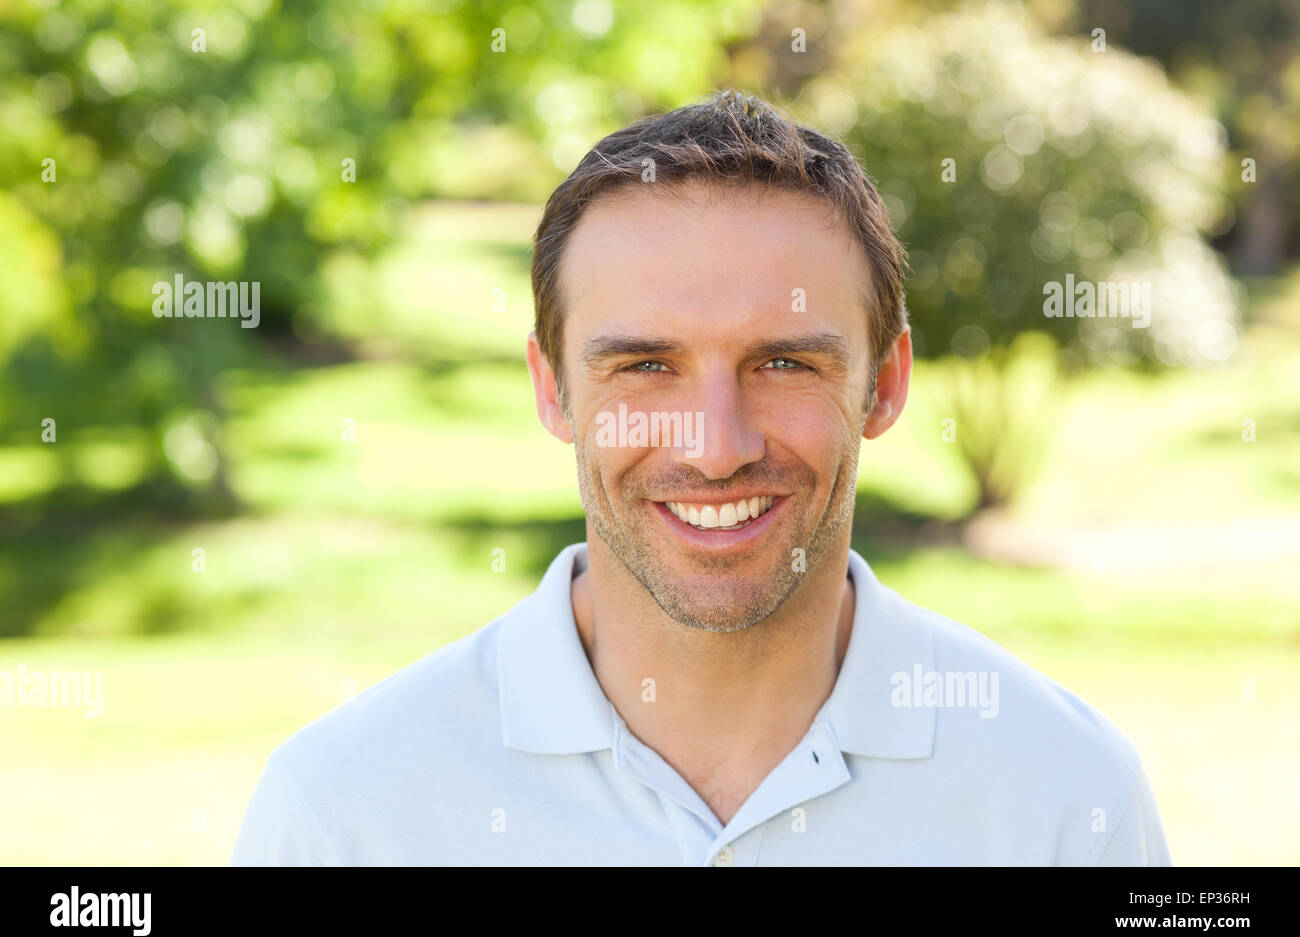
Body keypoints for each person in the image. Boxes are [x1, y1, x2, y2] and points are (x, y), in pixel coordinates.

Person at [231, 90, 1171, 866]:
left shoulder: (1067, 798)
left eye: (784, 364)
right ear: (553, 390)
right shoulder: (343, 814)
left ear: (884, 385)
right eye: (645, 366)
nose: (716, 448)